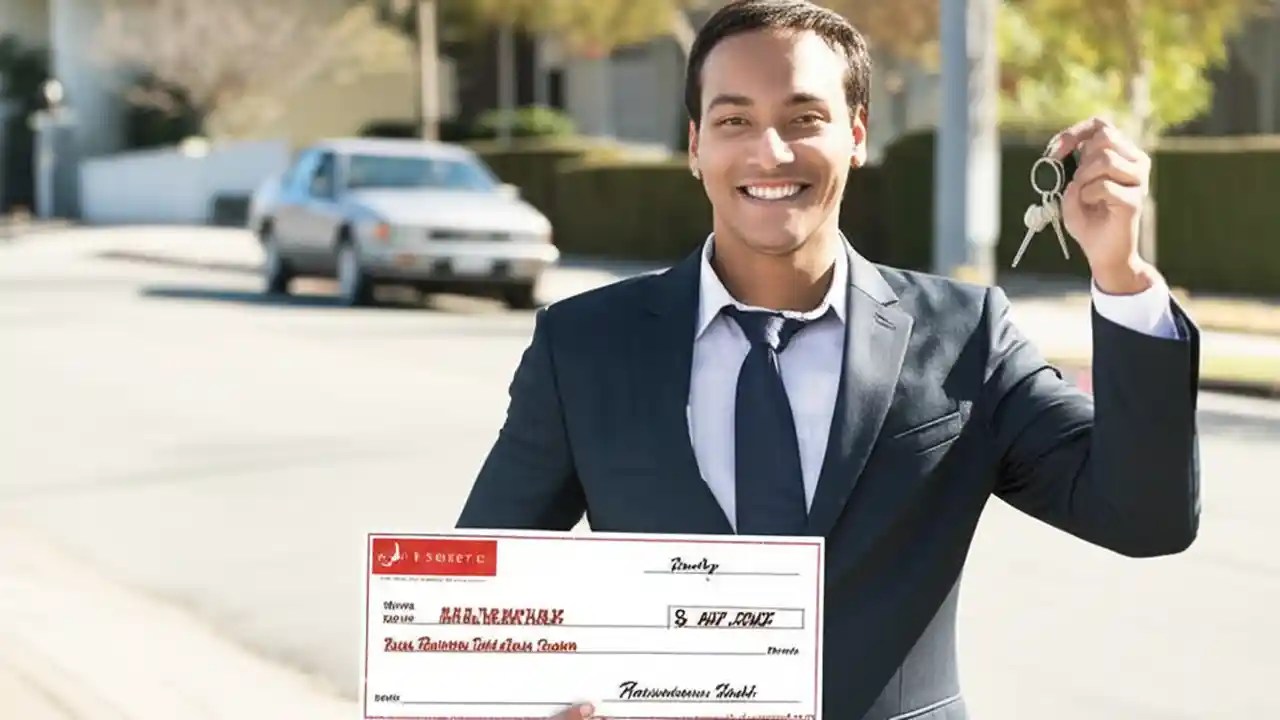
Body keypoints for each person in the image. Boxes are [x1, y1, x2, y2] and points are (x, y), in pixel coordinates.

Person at [456, 0, 1200, 717]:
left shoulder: (965, 336)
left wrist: (1121, 275)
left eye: (804, 119)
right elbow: (477, 600)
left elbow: (1145, 518)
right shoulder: (584, 345)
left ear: (857, 133)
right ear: (695, 145)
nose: (770, 151)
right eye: (735, 120)